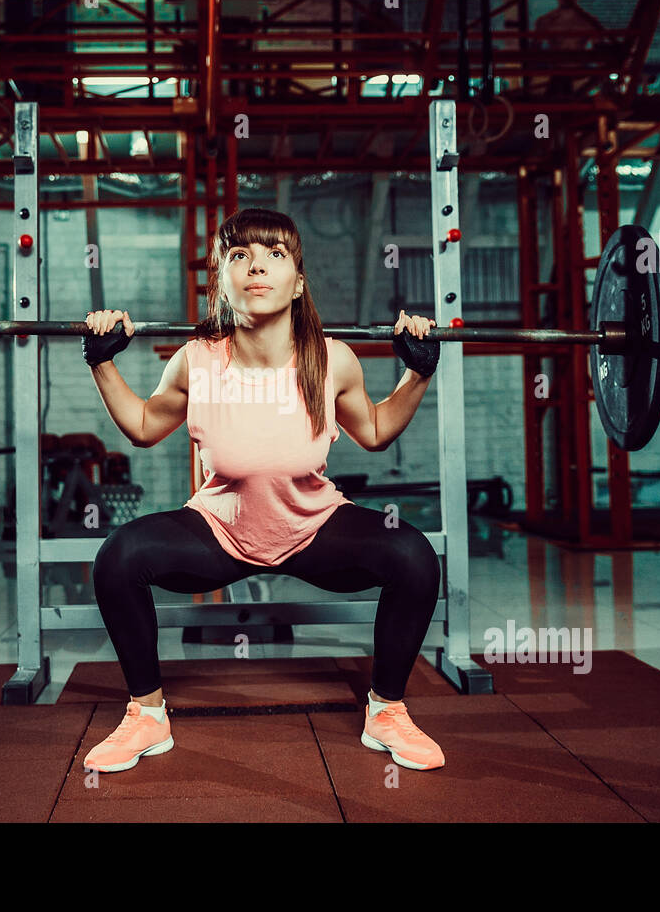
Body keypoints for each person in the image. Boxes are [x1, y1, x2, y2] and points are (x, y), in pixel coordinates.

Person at [79, 207, 444, 773]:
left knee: (414, 556)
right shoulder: (197, 360)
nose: (257, 266)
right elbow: (146, 426)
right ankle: (146, 717)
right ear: (222, 279)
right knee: (118, 558)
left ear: (297, 283)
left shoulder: (331, 358)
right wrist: (102, 363)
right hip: (219, 531)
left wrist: (416, 374)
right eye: (240, 255)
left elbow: (373, 431)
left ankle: (387, 711)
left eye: (275, 255)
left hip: (313, 528)